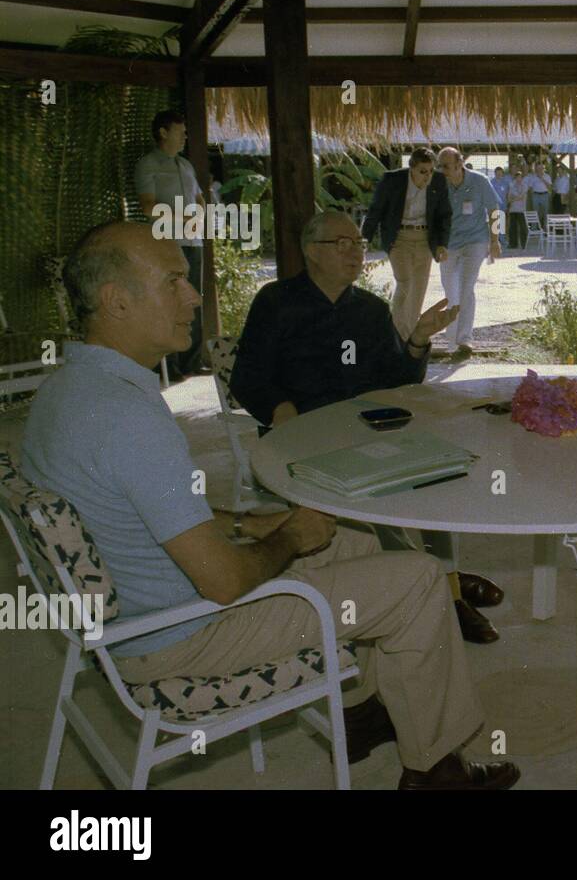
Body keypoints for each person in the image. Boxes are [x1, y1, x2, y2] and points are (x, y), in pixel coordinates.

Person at [22, 221, 519, 789]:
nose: (193, 296)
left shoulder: (67, 389)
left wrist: (246, 521)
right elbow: (227, 583)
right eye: (175, 281)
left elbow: (140, 511)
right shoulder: (130, 418)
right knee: (422, 577)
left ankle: (372, 711)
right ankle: (438, 769)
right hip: (180, 635)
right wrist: (287, 540)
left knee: (352, 541)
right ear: (116, 302)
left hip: (143, 605)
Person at [230, 210, 507, 644]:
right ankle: (445, 594)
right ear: (310, 252)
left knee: (435, 478)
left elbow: (396, 383)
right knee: (374, 517)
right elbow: (246, 377)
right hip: (303, 440)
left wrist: (417, 339)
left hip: (365, 431)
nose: (354, 252)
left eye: (358, 243)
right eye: (340, 244)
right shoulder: (276, 303)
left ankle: (445, 580)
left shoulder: (370, 310)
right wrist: (280, 408)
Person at [134, 109, 205, 379]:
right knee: (171, 300)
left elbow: (199, 198)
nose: (185, 135)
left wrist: (199, 216)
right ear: (163, 132)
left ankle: (193, 363)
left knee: (195, 299)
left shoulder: (186, 165)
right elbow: (148, 206)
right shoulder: (148, 164)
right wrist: (182, 217)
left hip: (193, 239)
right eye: (180, 131)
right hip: (167, 241)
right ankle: (170, 367)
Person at [361, 147, 452, 340]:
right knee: (405, 283)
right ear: (411, 167)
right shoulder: (392, 181)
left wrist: (442, 243)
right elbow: (375, 211)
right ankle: (396, 336)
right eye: (422, 171)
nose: (427, 176)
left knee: (418, 289)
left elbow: (444, 215)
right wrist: (364, 240)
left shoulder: (438, 181)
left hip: (424, 239)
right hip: (400, 238)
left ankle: (407, 337)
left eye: (430, 171)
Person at [436, 147, 502, 359]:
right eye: (440, 166)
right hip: (449, 244)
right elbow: (433, 215)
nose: (442, 170)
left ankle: (463, 339)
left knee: (466, 287)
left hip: (476, 240)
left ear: (459, 164)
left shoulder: (479, 181)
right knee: (450, 289)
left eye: (445, 166)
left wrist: (495, 240)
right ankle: (452, 339)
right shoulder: (439, 184)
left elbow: (494, 211)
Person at [505, 167, 529, 251]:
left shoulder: (525, 185)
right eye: (517, 177)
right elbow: (508, 197)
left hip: (521, 209)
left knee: (523, 227)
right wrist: (513, 198)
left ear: (522, 178)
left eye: (520, 177)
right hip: (513, 209)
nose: (519, 179)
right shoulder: (511, 185)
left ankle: (524, 244)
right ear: (515, 178)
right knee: (512, 227)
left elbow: (522, 197)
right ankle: (513, 244)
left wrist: (513, 199)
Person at [524, 160, 551, 230]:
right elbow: (530, 187)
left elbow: (549, 187)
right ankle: (534, 229)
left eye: (541, 168)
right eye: (538, 168)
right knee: (535, 213)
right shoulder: (533, 177)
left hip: (545, 195)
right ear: (536, 169)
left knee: (546, 212)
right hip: (536, 195)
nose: (539, 170)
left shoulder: (547, 176)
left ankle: (545, 228)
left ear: (543, 169)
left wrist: (542, 179)